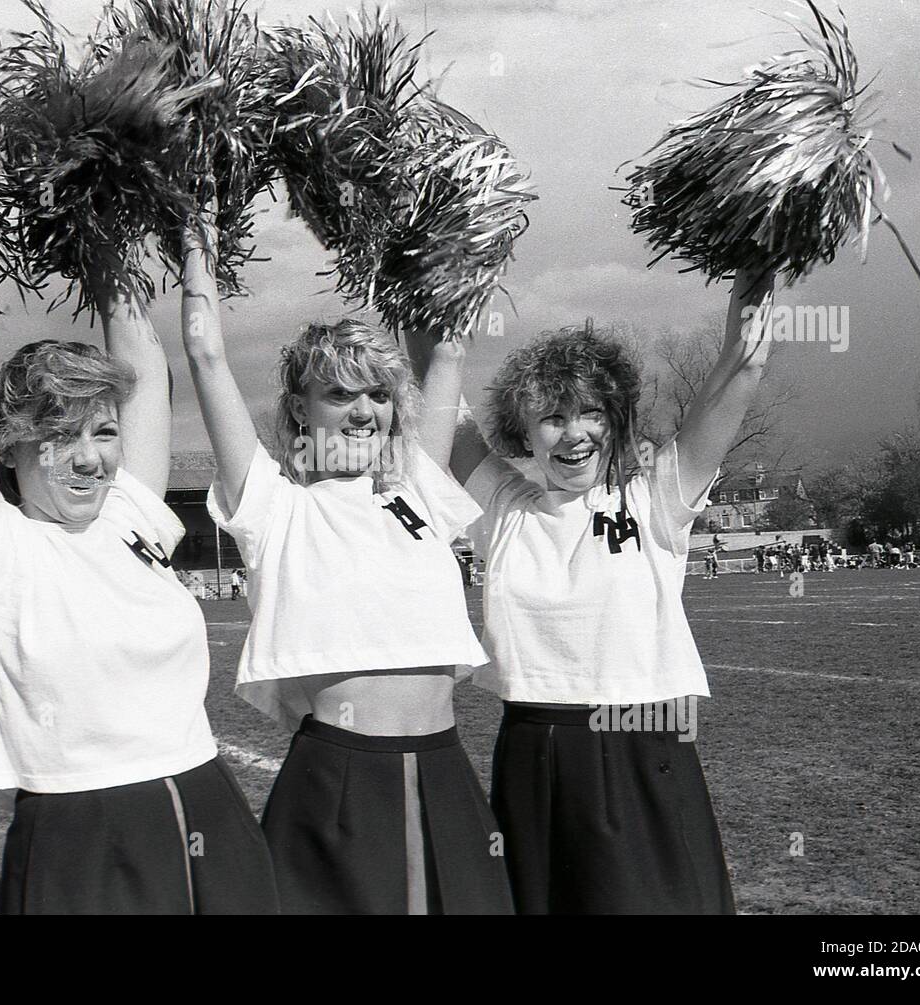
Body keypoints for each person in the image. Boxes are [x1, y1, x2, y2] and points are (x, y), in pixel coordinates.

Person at [0, 169, 277, 915]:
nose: (89, 457)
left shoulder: (130, 516)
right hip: (79, 833)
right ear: (8, 445)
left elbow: (138, 351)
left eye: (104, 432)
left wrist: (105, 198)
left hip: (209, 805)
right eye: (57, 433)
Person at [182, 201, 511, 915]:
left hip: (446, 771)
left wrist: (429, 221)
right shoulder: (274, 504)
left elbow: (448, 347)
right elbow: (206, 354)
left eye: (377, 394)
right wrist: (197, 237)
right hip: (336, 783)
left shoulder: (419, 481)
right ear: (301, 408)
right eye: (338, 392)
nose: (364, 410)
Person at [433, 264, 778, 914]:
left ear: (616, 419)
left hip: (639, 751)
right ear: (523, 429)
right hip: (533, 757)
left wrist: (756, 258)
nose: (575, 431)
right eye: (553, 416)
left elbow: (743, 368)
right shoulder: (503, 504)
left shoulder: (656, 498)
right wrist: (419, 273)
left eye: (592, 411)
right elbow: (440, 396)